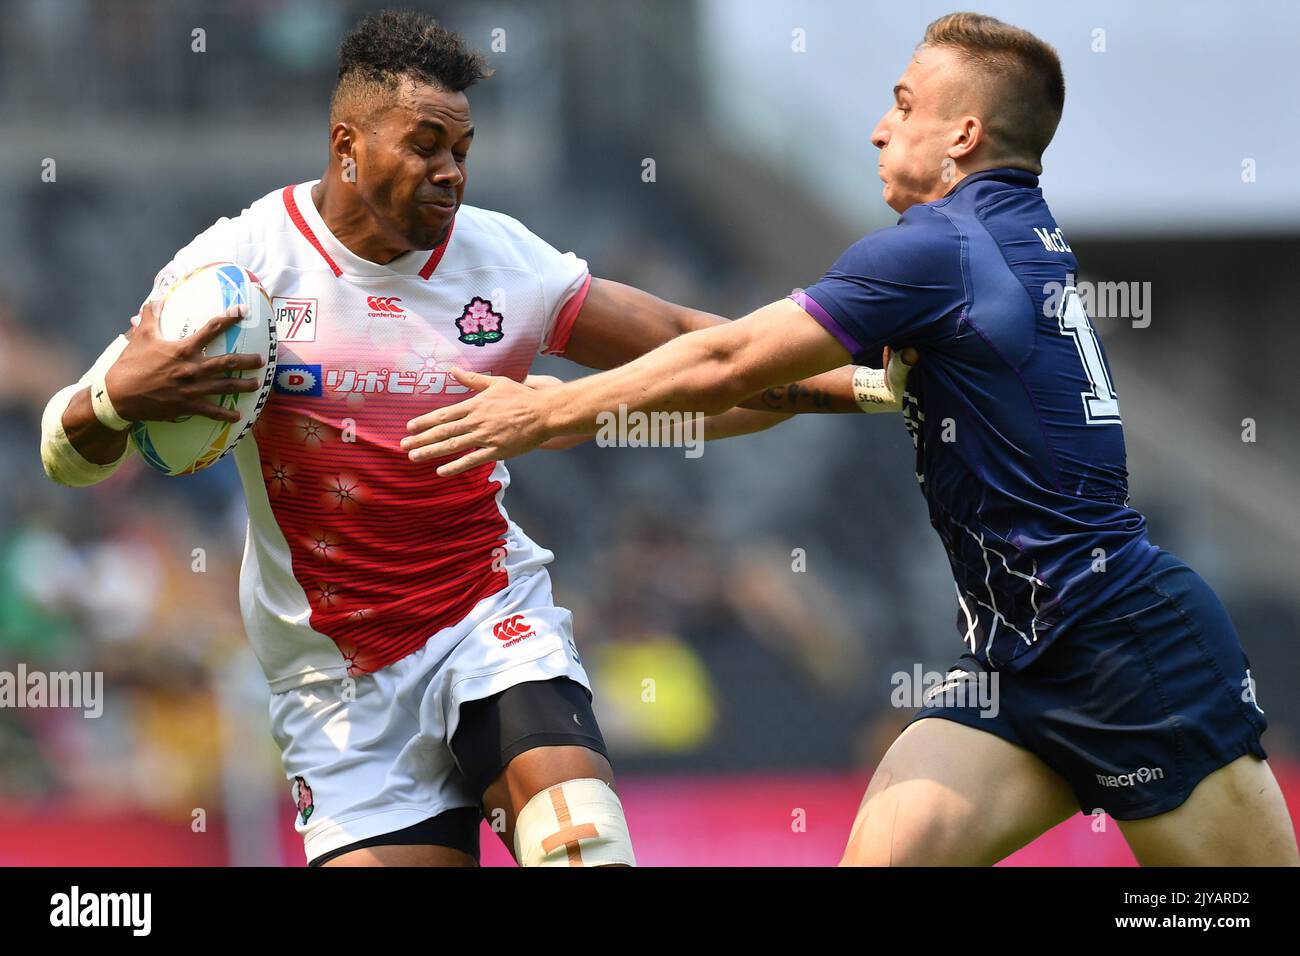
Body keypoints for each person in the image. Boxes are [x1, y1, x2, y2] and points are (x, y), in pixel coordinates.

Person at [404, 12, 1299, 866]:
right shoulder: (1009, 242)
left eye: (906, 104)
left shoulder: (935, 251)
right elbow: (778, 390)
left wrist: (545, 412)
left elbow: (725, 357)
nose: (879, 129)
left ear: (963, 136)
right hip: (1018, 664)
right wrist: (587, 420)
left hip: (1127, 653)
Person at [38, 10, 896, 868]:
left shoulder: (503, 262)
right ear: (347, 145)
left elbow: (694, 347)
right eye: (425, 146)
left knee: (583, 845)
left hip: (484, 620)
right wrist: (112, 400)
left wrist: (871, 384)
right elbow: (65, 450)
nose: (451, 173)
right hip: (337, 683)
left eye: (463, 149)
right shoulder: (238, 269)